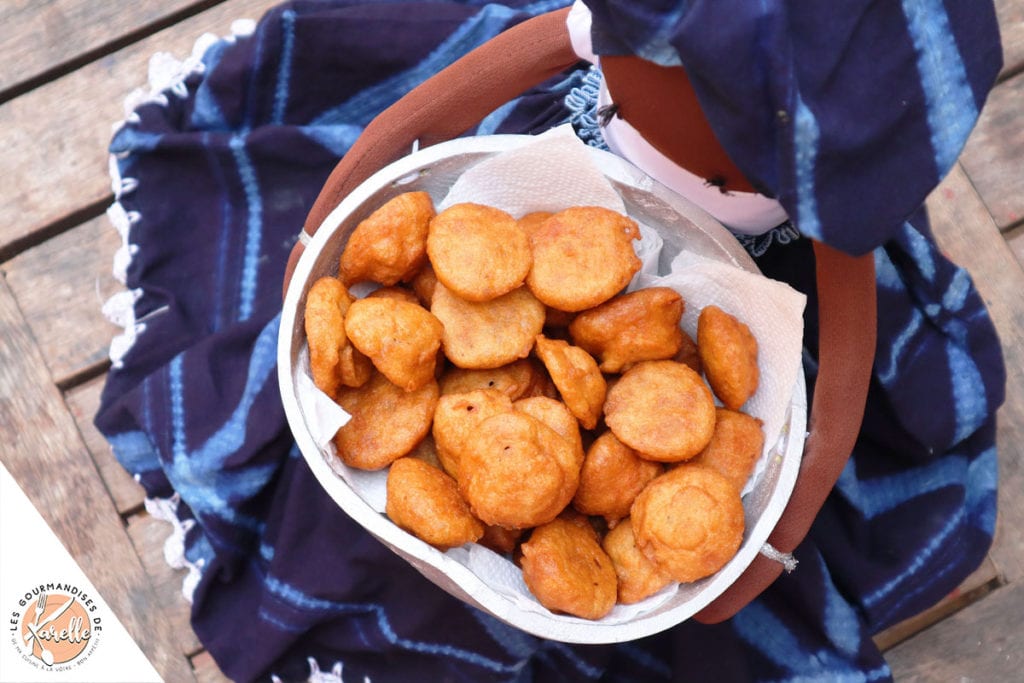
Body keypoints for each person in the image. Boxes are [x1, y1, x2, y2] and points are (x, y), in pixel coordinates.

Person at [96, 1, 1006, 680]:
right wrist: (318, 231)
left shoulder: (830, 180)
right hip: (559, 173)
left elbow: (838, 380)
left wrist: (777, 535)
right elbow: (432, 109)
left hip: (753, 275)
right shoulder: (636, 24)